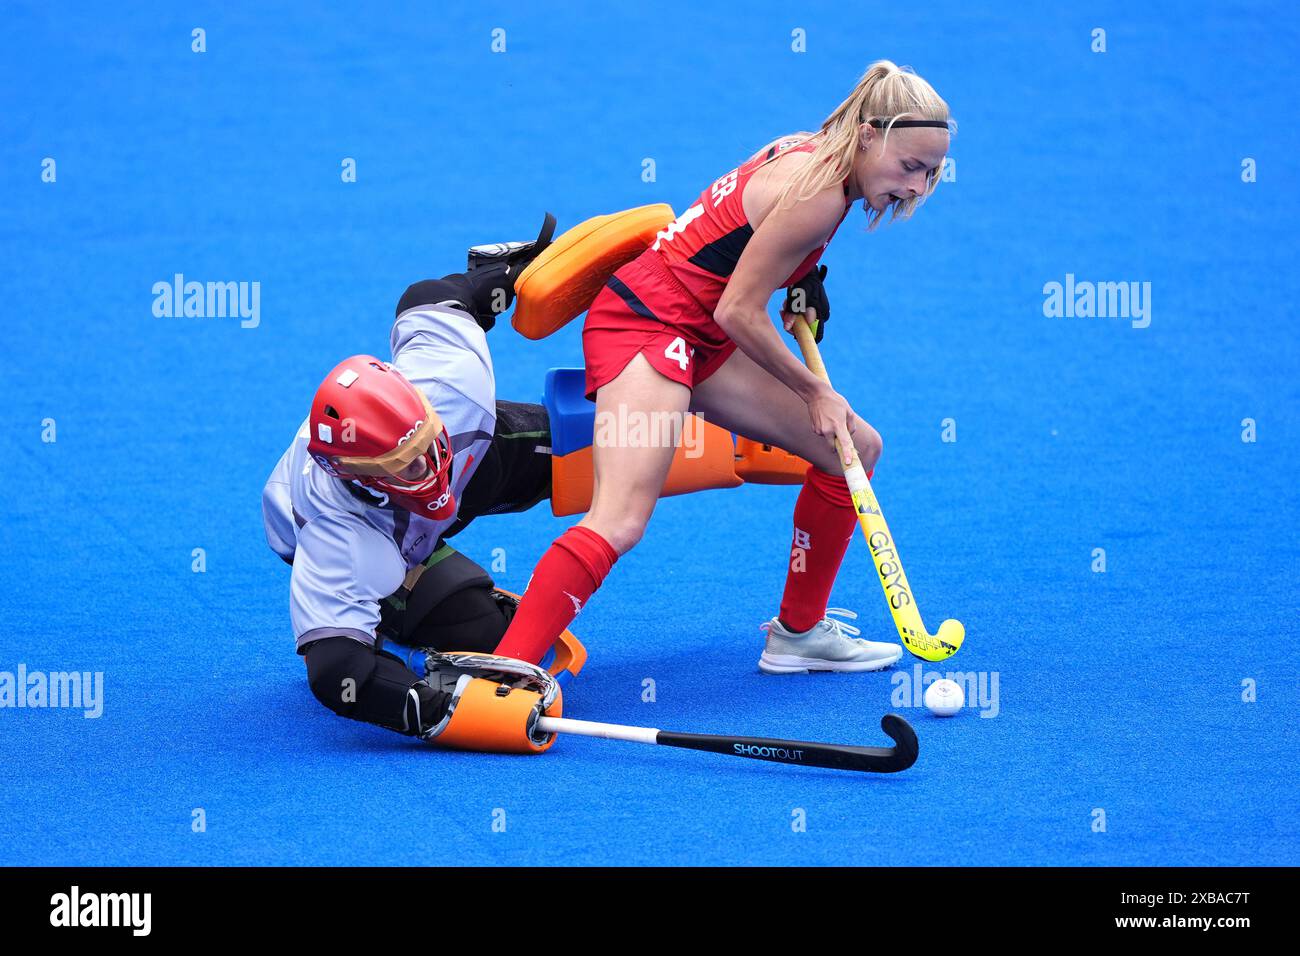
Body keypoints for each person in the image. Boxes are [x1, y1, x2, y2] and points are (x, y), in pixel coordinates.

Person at [495, 61, 952, 674]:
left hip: (697, 333)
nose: (918, 187)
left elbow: (743, 242)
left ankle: (798, 633)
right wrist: (813, 388)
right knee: (622, 518)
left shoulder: (821, 155)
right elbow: (738, 308)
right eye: (910, 167)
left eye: (932, 172)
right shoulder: (816, 194)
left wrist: (804, 280)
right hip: (646, 326)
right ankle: (500, 672)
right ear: (869, 134)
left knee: (854, 450)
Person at [261, 222, 572, 750]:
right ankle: (392, 620)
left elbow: (429, 298)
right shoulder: (341, 541)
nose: (430, 470)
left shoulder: (451, 390)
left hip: (467, 447)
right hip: (389, 539)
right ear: (359, 476)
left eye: (424, 444)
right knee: (495, 643)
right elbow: (338, 672)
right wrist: (444, 709)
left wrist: (506, 277)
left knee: (605, 441)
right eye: (406, 465)